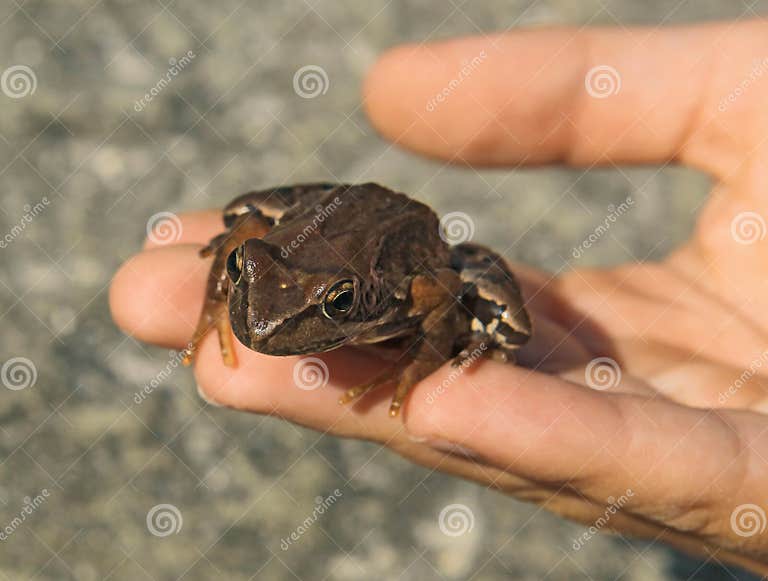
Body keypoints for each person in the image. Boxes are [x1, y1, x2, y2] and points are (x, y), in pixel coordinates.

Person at [110, 20, 768, 574]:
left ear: (355, 300)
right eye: (251, 274)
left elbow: (439, 291)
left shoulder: (399, 290)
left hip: (408, 237)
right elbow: (248, 233)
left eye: (336, 305)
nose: (264, 325)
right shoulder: (265, 268)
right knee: (237, 216)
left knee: (506, 331)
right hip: (330, 216)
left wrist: (421, 359)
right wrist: (226, 284)